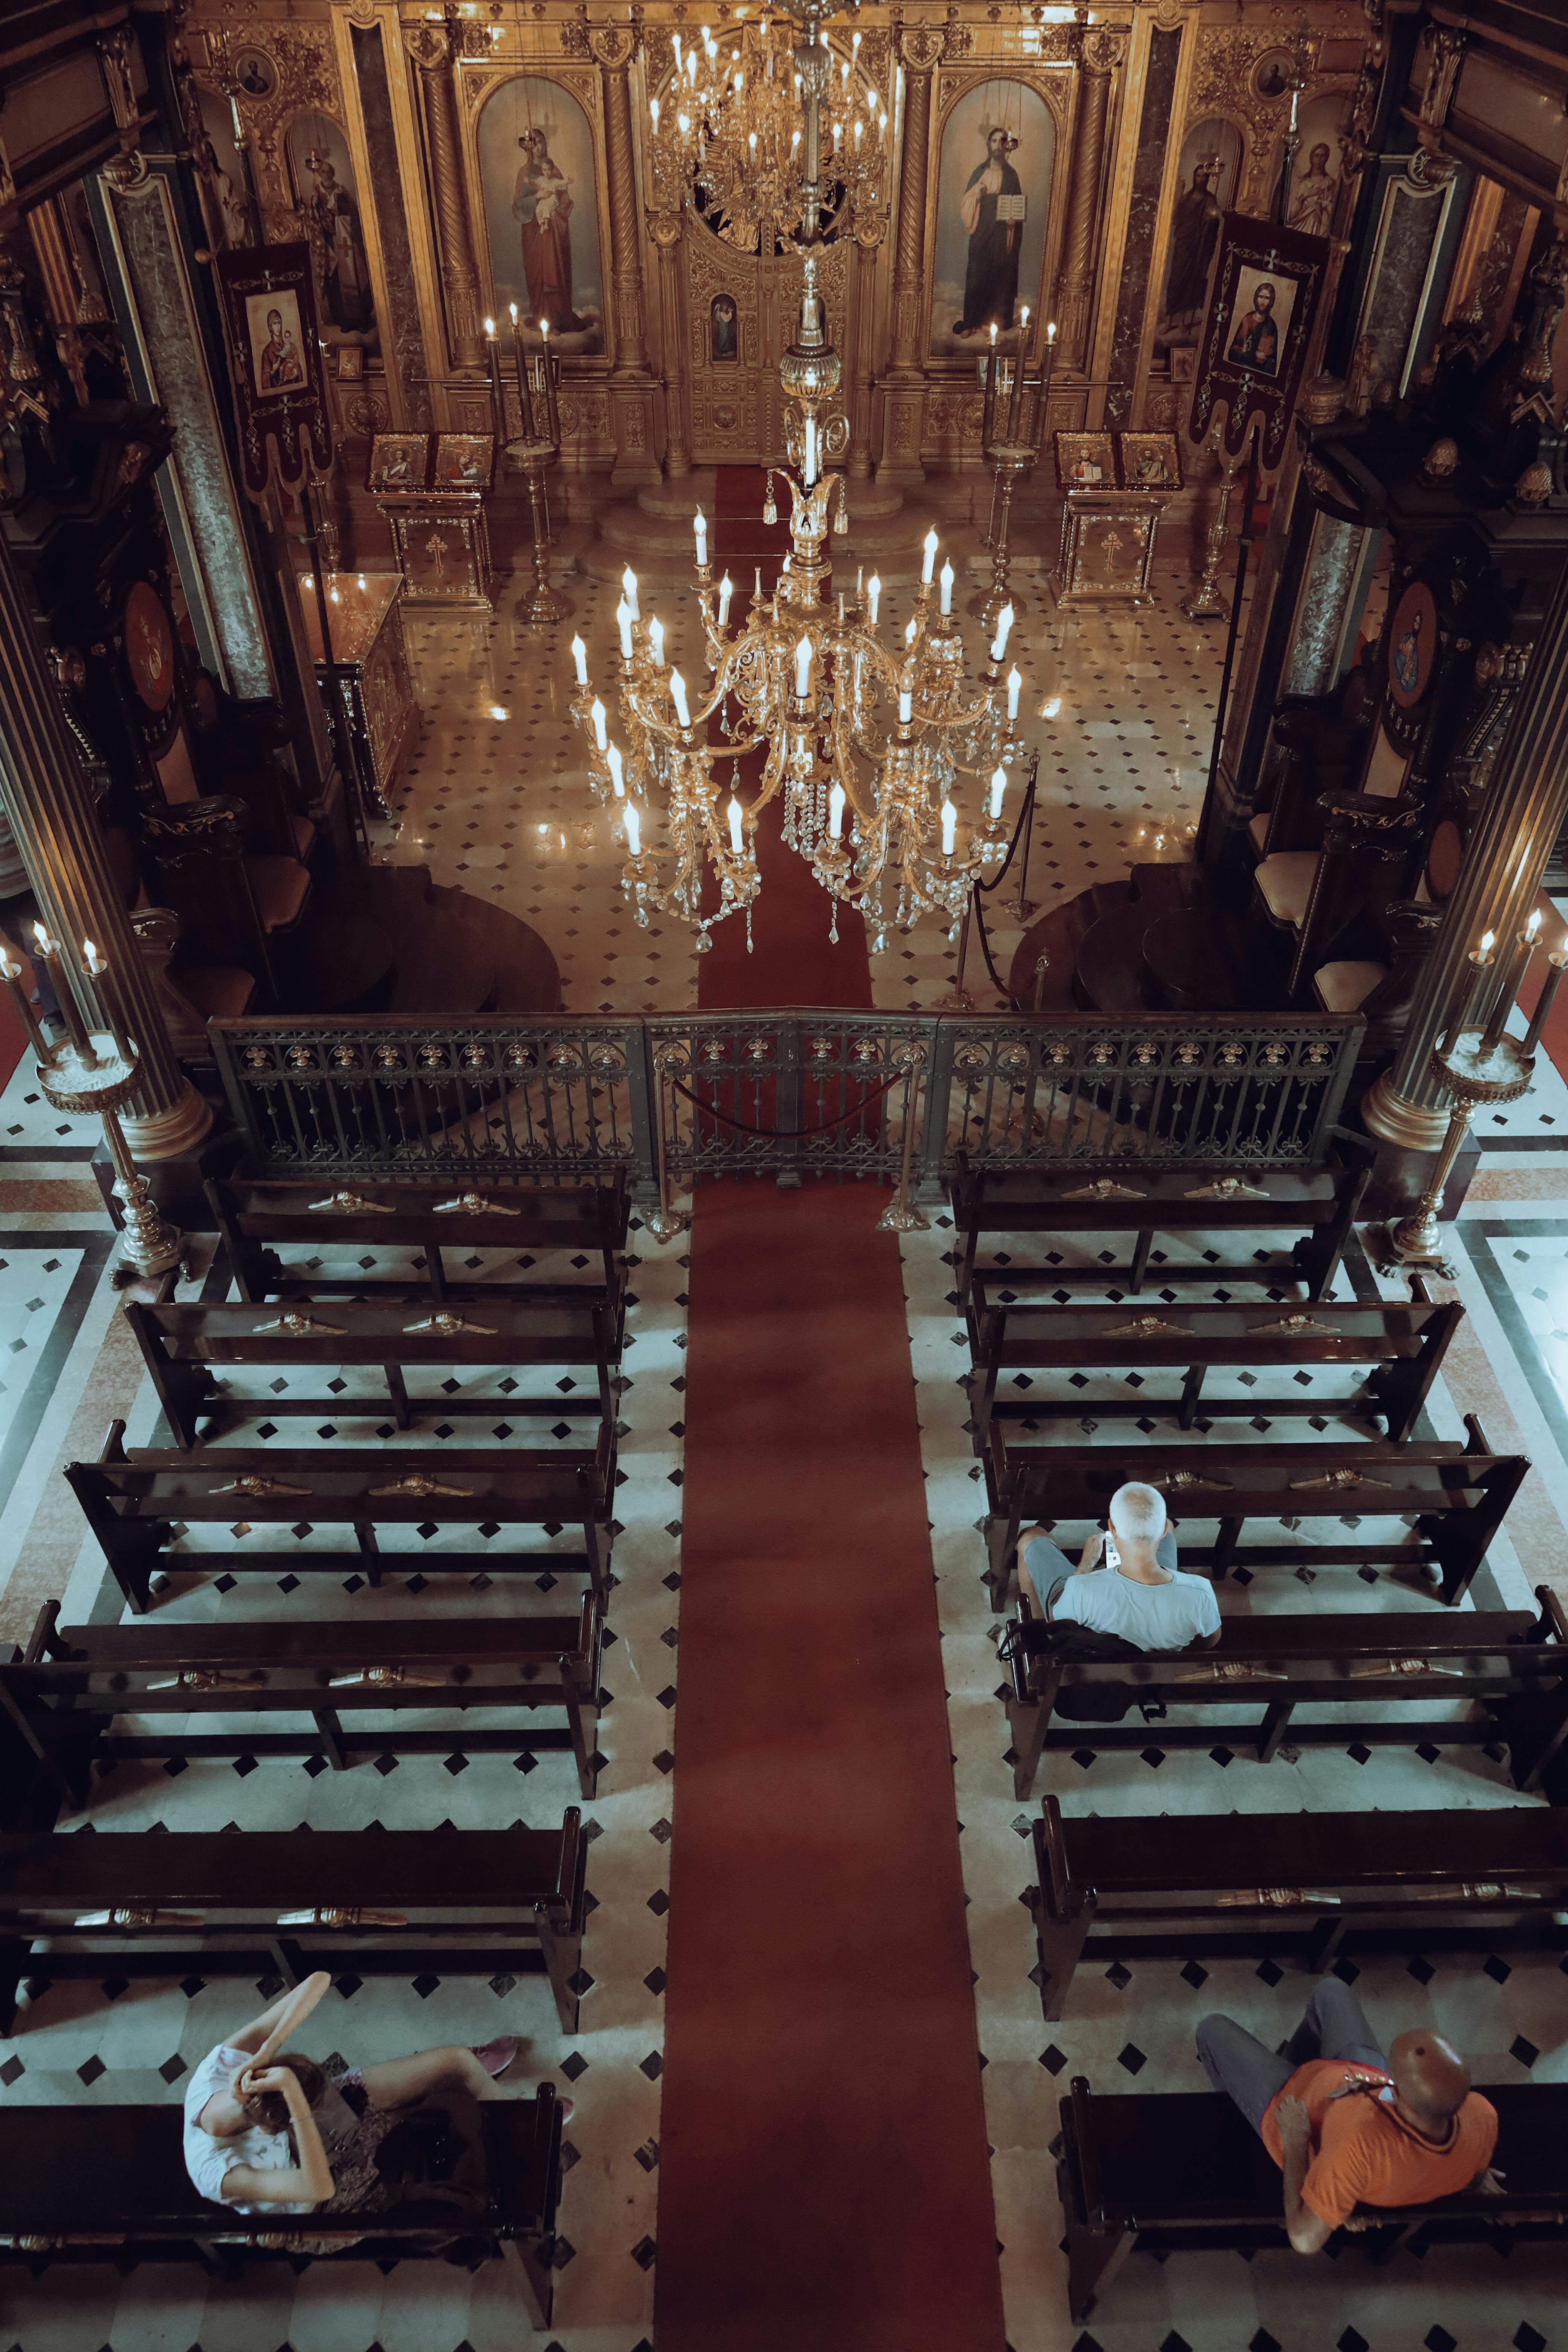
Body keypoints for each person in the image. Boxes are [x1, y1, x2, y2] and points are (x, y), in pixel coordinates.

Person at [184, 1971, 567, 2214]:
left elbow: (317, 1979)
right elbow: (318, 2189)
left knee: (455, 2063)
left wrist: (268, 2048)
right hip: (325, 2171)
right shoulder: (216, 2172)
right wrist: (301, 2109)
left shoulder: (214, 2075)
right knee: (436, 2114)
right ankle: (526, 2136)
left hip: (334, 2108)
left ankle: (515, 2115)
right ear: (272, 2128)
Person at [1196, 1979, 1500, 2252]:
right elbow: (1472, 2170)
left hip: (1292, 2107)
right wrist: (1477, 2177)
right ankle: (1288, 2063)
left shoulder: (1358, 2149)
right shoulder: (1481, 2114)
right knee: (1331, 1991)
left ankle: (1236, 2107)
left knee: (1212, 2029)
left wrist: (1295, 2141)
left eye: (1394, 2075)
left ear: (1399, 2095)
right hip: (1360, 2077)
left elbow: (1303, 2238)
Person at [1016, 1478, 1221, 1652]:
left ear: (1111, 1527)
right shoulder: (1200, 1591)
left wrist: (1085, 1567)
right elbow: (1211, 1640)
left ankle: (1034, 1626)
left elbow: (1057, 1625)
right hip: (1151, 1671)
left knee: (1031, 1537)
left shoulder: (1081, 1589)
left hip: (1093, 1653)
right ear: (1163, 1532)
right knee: (1162, 1520)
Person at [955, 125, 1024, 338]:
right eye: (994, 141)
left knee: (998, 272)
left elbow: (1017, 205)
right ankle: (972, 321)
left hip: (1003, 231)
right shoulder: (980, 172)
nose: (998, 146)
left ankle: (992, 321)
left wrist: (1013, 221)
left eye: (1002, 142)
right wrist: (977, 192)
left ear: (1006, 146)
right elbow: (967, 202)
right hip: (982, 228)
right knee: (976, 273)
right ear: (989, 145)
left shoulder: (1011, 176)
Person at [513, 127, 583, 334]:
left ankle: (560, 317)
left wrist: (556, 213)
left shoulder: (554, 171)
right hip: (534, 233)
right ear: (530, 147)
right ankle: (542, 316)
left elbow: (566, 199)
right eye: (536, 143)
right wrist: (537, 197)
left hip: (553, 231)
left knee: (556, 271)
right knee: (539, 273)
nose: (540, 147)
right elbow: (518, 205)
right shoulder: (525, 172)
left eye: (543, 142)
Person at [304, 150, 374, 335]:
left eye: (329, 172)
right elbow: (313, 219)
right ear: (319, 174)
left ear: (333, 173)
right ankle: (343, 319)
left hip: (347, 241)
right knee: (335, 282)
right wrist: (315, 205)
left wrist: (340, 216)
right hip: (329, 245)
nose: (326, 175)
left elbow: (353, 214)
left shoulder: (342, 191)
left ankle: (361, 319)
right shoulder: (316, 193)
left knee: (355, 277)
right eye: (323, 172)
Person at [1163, 162, 1222, 329]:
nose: (1201, 179)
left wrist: (1213, 219)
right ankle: (1169, 320)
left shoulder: (1211, 199)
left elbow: (1214, 222)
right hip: (1183, 246)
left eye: (1205, 176)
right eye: (1199, 176)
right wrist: (1178, 195)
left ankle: (1182, 321)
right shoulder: (1186, 198)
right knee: (1176, 281)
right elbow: (1175, 220)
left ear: (1208, 179)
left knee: (1191, 283)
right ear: (1194, 178)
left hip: (1198, 249)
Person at [1228, 279, 1280, 376]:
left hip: (1259, 373)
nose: (1263, 301)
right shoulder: (1247, 320)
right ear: (1256, 298)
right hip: (1240, 369)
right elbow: (1231, 353)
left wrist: (1265, 359)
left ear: (1271, 301)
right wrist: (1241, 351)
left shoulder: (1272, 326)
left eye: (1267, 298)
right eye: (1261, 297)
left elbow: (1273, 362)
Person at [1288, 141, 1338, 239]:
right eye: (1317, 156)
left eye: (1323, 156)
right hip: (1301, 227)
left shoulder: (1330, 183)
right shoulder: (1303, 183)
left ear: (1326, 159)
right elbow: (1291, 215)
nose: (1319, 160)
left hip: (1321, 227)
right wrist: (1305, 195)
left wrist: (1322, 205)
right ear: (1312, 158)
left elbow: (1335, 210)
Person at [258, 307, 302, 391]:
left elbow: (297, 365)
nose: (278, 327)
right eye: (275, 324)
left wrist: (297, 371)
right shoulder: (267, 352)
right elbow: (265, 381)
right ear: (270, 327)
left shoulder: (288, 346)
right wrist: (273, 371)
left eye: (279, 323)